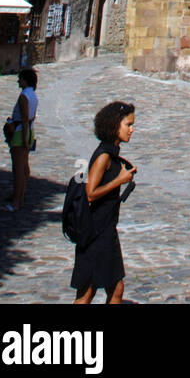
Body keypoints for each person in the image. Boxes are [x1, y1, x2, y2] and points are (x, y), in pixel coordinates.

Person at [72, 101, 137, 304]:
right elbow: (90, 193)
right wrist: (119, 180)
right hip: (96, 232)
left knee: (116, 288)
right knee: (87, 293)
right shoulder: (104, 156)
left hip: (106, 229)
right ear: (114, 125)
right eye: (128, 125)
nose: (132, 130)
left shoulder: (111, 153)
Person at [5, 68, 38, 211]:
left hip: (20, 132)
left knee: (18, 168)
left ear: (25, 80)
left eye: (20, 79)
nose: (18, 81)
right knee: (24, 166)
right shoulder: (33, 95)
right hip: (30, 130)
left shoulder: (24, 96)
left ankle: (16, 200)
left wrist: (24, 138)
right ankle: (21, 197)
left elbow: (24, 118)